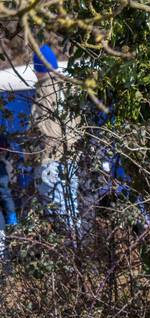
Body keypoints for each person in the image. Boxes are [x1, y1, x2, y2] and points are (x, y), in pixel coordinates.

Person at [29, 44, 82, 236]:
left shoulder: (43, 91)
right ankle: (79, 252)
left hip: (49, 160)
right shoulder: (70, 87)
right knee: (71, 209)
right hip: (71, 158)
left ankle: (70, 252)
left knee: (57, 211)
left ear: (37, 69)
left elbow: (40, 127)